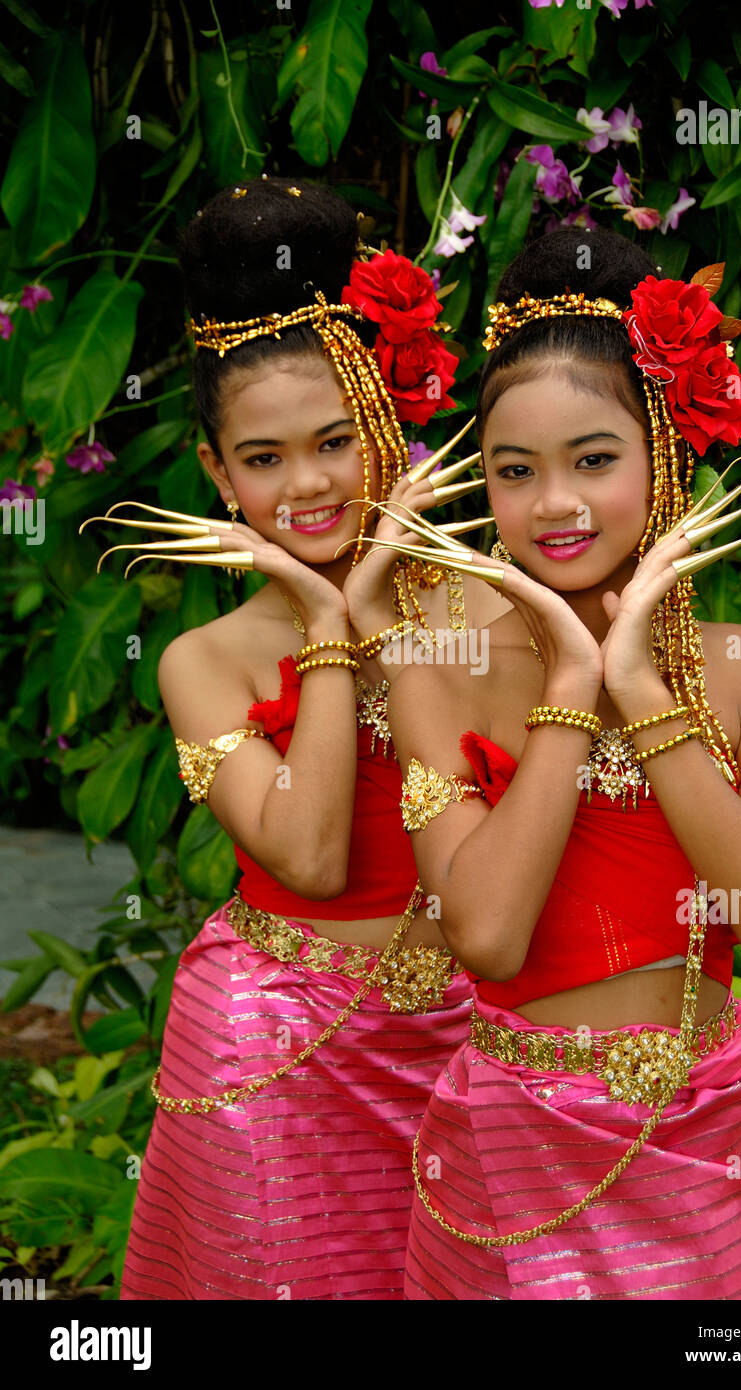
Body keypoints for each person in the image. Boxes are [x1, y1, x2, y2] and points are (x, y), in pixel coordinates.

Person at [373, 227, 741, 1299]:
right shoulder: (436, 660)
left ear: (666, 447)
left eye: (594, 459)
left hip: (694, 1149)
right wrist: (571, 692)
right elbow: (484, 933)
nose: (555, 504)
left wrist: (646, 692)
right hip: (509, 1151)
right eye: (515, 472)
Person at [89, 176, 509, 1300]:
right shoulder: (205, 663)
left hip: (474, 1039)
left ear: (384, 426)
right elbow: (314, 857)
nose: (310, 485)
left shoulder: (486, 612)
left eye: (334, 441)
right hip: (273, 1048)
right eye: (265, 460)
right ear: (218, 476)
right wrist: (333, 627)